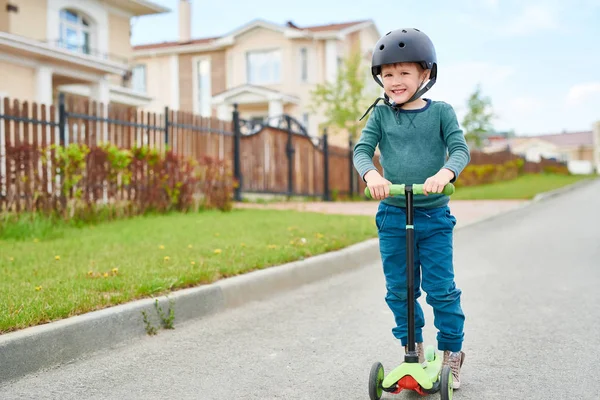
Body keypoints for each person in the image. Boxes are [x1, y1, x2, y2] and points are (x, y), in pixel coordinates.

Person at [353, 28, 471, 389]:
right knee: (400, 289)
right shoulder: (381, 116)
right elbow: (361, 151)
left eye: (404, 73)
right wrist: (371, 174)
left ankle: (451, 351)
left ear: (425, 75)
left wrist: (445, 172)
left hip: (433, 215)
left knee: (440, 289)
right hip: (392, 214)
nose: (395, 80)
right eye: (388, 74)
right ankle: (412, 348)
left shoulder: (441, 113)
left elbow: (460, 150)